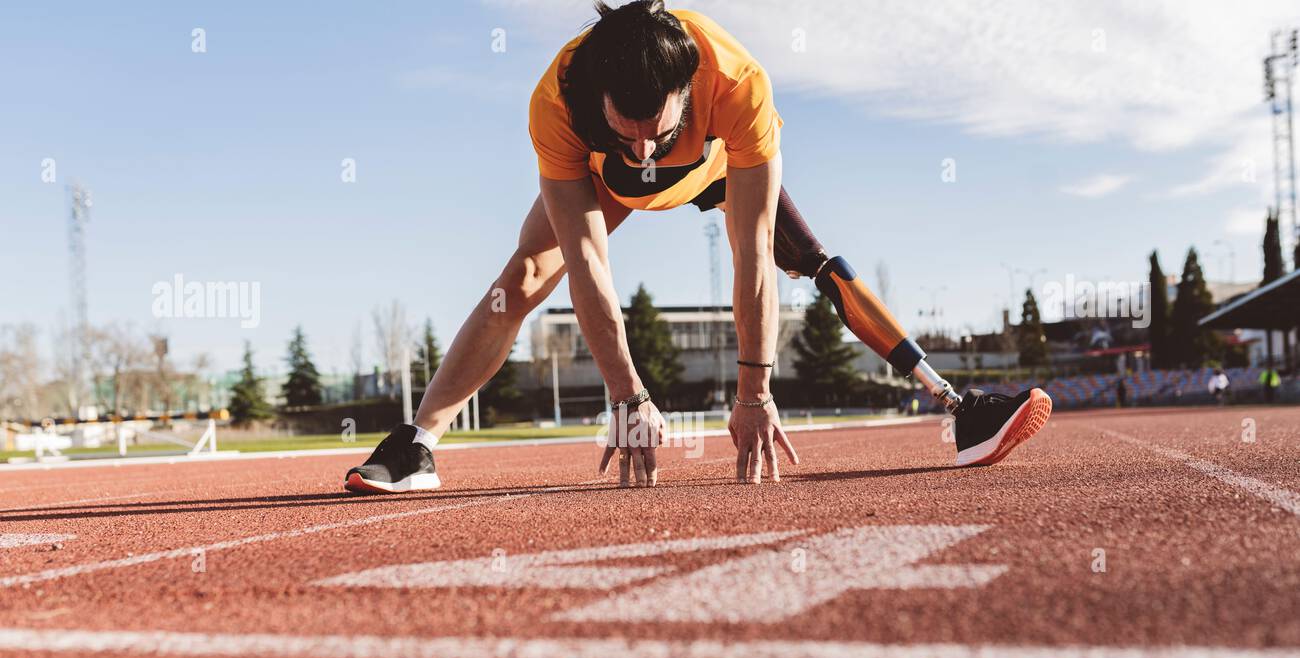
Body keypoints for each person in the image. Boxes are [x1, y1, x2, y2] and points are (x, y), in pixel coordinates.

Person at [345, 2, 1052, 493]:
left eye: (655, 131)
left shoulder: (738, 82)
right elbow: (588, 264)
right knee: (523, 275)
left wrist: (755, 390)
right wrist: (625, 396)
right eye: (627, 130)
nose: (646, 150)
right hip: (604, 183)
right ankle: (417, 445)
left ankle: (962, 408)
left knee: (817, 264)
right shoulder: (558, 100)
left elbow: (749, 258)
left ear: (692, 87)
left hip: (717, 171)